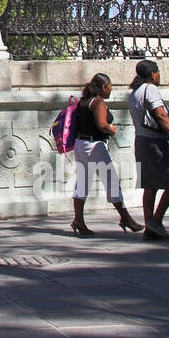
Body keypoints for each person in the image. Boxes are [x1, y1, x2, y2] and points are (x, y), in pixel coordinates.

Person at [69, 73, 143, 236]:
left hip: (81, 145)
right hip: (95, 146)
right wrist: (111, 129)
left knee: (82, 183)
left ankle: (78, 220)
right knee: (111, 182)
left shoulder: (84, 101)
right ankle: (125, 218)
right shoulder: (97, 102)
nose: (111, 90)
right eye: (110, 86)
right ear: (104, 86)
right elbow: (102, 124)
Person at [127, 59, 169, 241]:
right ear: (153, 74)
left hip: (142, 141)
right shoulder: (151, 89)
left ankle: (150, 225)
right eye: (158, 72)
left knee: (150, 186)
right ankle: (156, 221)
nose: (159, 75)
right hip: (156, 143)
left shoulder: (135, 92)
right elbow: (159, 113)